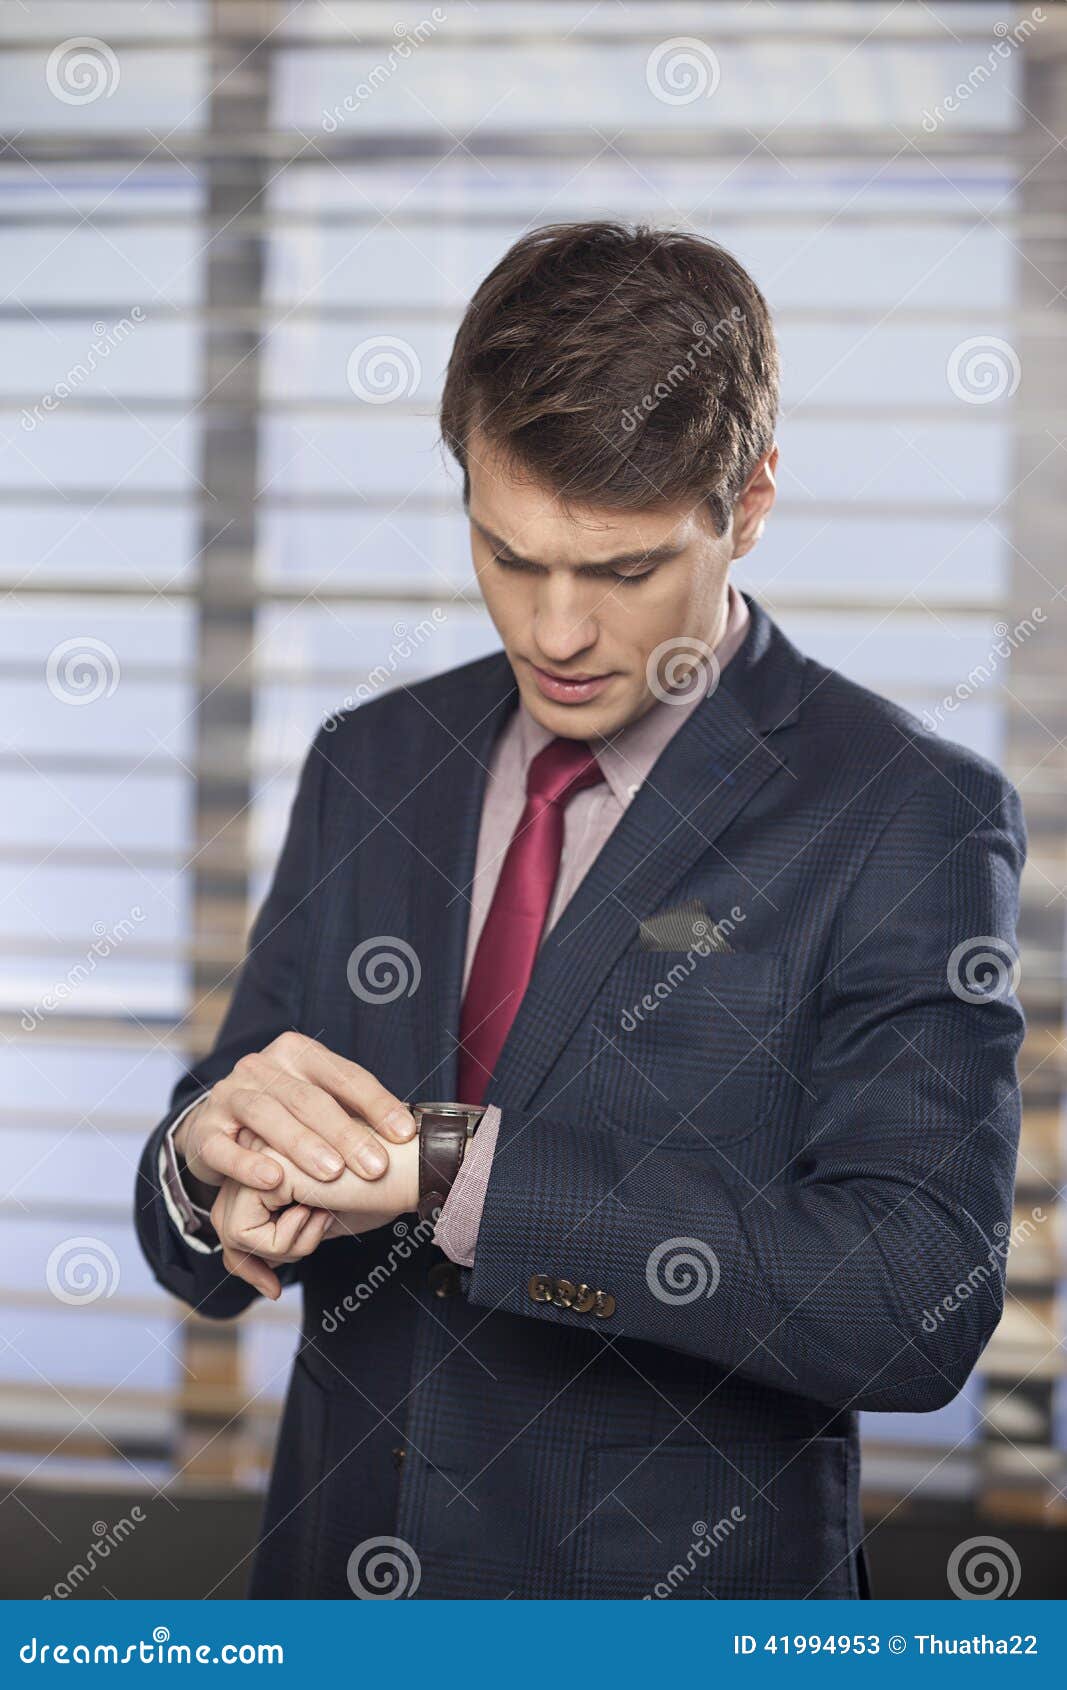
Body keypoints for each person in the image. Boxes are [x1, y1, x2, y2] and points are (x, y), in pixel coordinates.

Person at [135, 221, 1025, 1600]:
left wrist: (453, 1167)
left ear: (754, 501)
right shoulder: (372, 760)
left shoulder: (907, 814)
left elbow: (917, 1300)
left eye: (621, 573)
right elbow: (224, 1124)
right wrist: (204, 1161)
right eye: (506, 555)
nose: (554, 633)